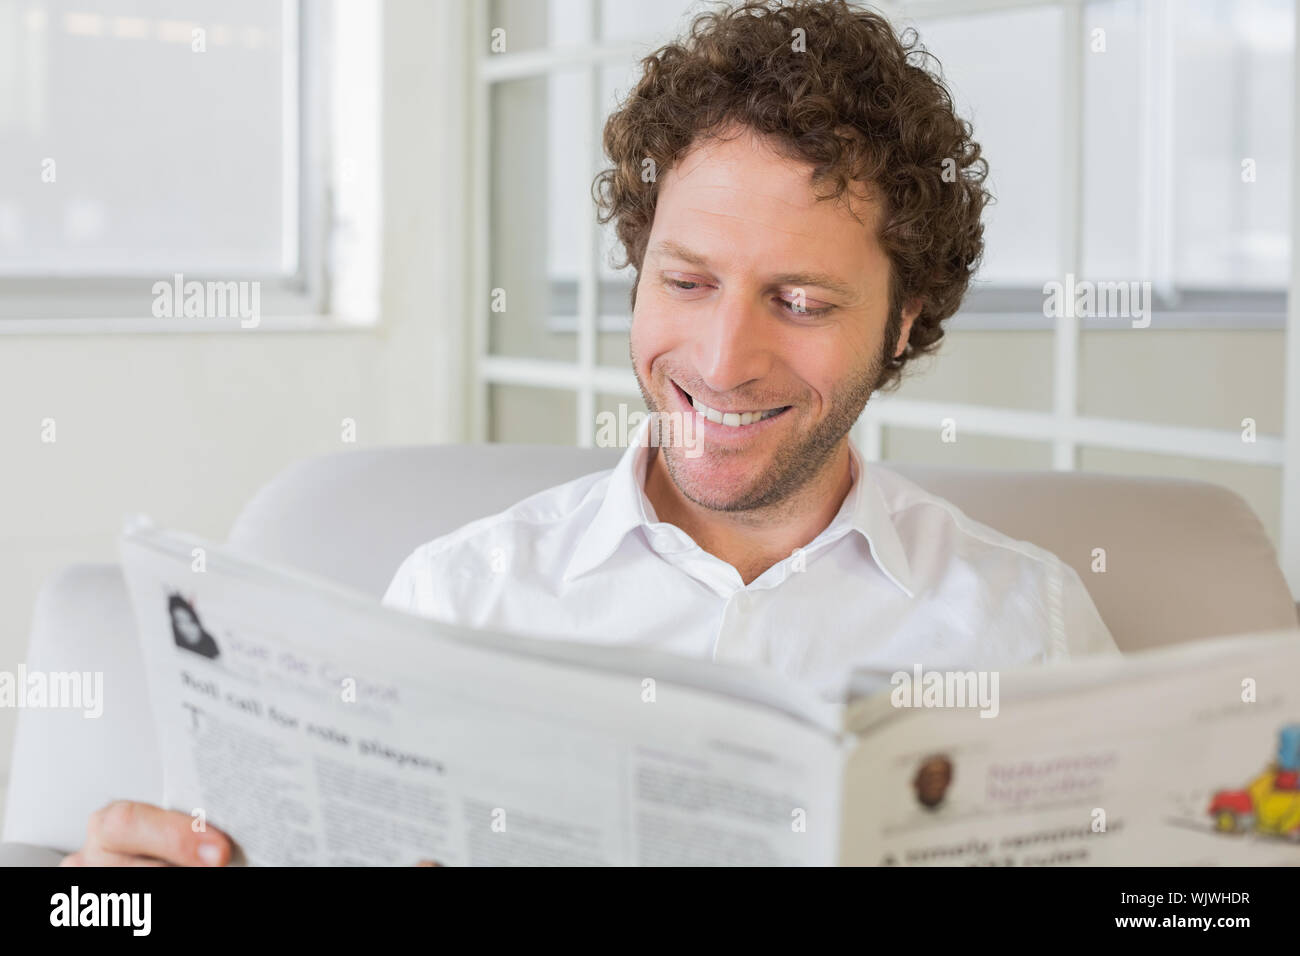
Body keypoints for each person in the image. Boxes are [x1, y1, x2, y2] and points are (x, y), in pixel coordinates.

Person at [65, 0, 1117, 867]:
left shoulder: (1027, 623)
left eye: (797, 299)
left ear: (902, 320)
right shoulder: (458, 599)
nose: (721, 356)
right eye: (686, 280)